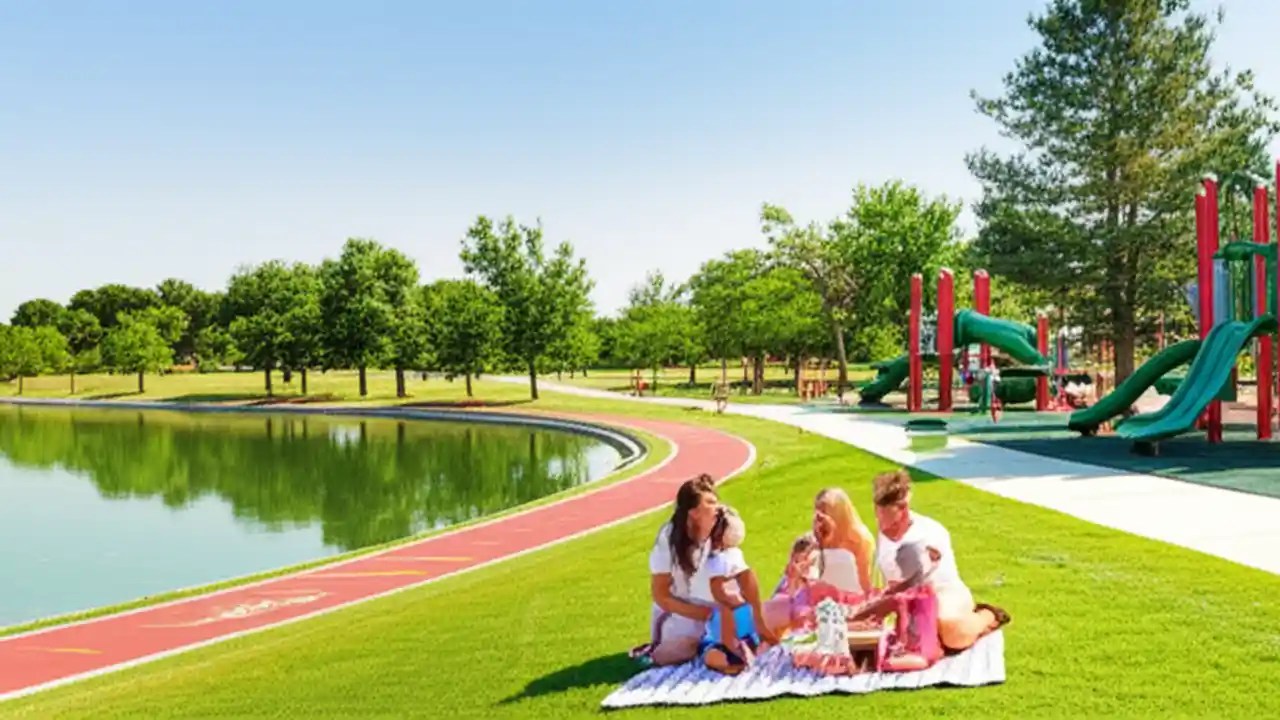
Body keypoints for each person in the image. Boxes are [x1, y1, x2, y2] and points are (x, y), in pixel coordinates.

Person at [867, 469, 1010, 652]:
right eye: (880, 521)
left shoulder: (928, 534)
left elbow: (917, 584)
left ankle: (988, 615)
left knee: (951, 633)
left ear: (904, 509)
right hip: (909, 602)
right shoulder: (883, 533)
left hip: (944, 594)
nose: (886, 529)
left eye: (892, 524)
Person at [633, 474, 721, 666]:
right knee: (688, 647)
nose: (718, 508)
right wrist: (704, 614)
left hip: (711, 609)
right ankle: (653, 656)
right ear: (693, 511)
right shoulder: (668, 539)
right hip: (680, 615)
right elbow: (661, 595)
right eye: (710, 503)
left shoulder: (717, 531)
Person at [699, 506, 778, 674]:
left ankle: (739, 652)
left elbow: (728, 590)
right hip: (731, 627)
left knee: (715, 651)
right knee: (715, 652)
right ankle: (741, 652)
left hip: (732, 626)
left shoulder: (725, 559)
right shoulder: (723, 560)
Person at [812, 487, 875, 594]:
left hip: (851, 598)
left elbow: (865, 581)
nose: (820, 517)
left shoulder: (860, 539)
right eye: (818, 511)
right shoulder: (816, 539)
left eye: (824, 512)